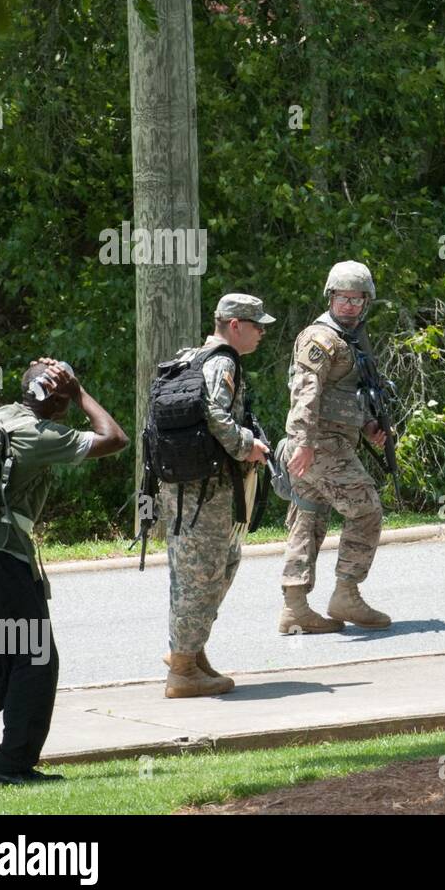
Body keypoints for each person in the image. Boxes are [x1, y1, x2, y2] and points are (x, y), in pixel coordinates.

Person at [0, 358, 126, 785]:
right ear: (58, 400)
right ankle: (12, 768)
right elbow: (114, 438)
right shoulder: (35, 434)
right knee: (35, 662)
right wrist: (81, 391)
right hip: (4, 563)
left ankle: (12, 764)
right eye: (65, 398)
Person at [159, 294, 273, 697]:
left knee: (208, 567)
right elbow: (216, 415)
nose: (262, 332)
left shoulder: (191, 356)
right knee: (202, 575)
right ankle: (183, 671)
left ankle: (191, 654)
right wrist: (248, 446)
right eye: (257, 325)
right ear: (234, 324)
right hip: (205, 490)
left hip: (187, 485)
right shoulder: (222, 361)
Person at [278, 261, 392, 635]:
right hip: (319, 443)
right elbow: (305, 391)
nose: (349, 306)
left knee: (308, 516)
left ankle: (295, 608)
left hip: (327, 441)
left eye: (356, 300)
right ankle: (346, 591)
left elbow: (346, 394)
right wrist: (305, 443)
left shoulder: (353, 338)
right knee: (366, 509)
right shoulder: (321, 338)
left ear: (366, 302)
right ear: (331, 297)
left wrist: (369, 423)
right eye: (343, 298)